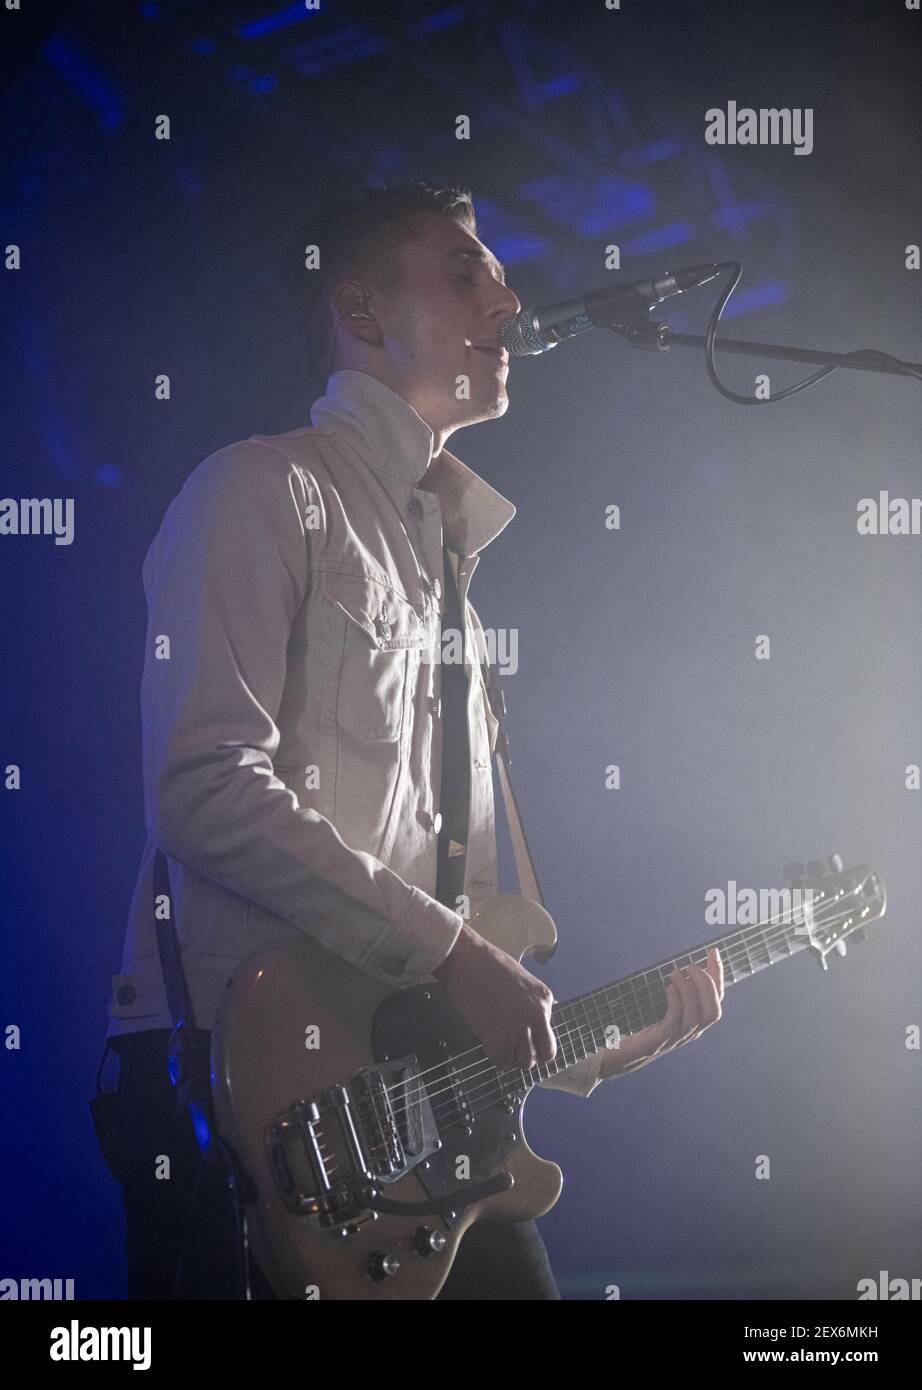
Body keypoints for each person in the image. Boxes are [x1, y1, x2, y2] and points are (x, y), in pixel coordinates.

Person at [104, 181, 724, 1300]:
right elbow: (199, 783)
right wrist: (454, 957)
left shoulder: (456, 593)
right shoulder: (259, 487)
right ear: (364, 306)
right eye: (466, 268)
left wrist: (583, 1043)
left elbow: (470, 938)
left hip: (414, 1132)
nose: (508, 293)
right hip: (245, 1104)